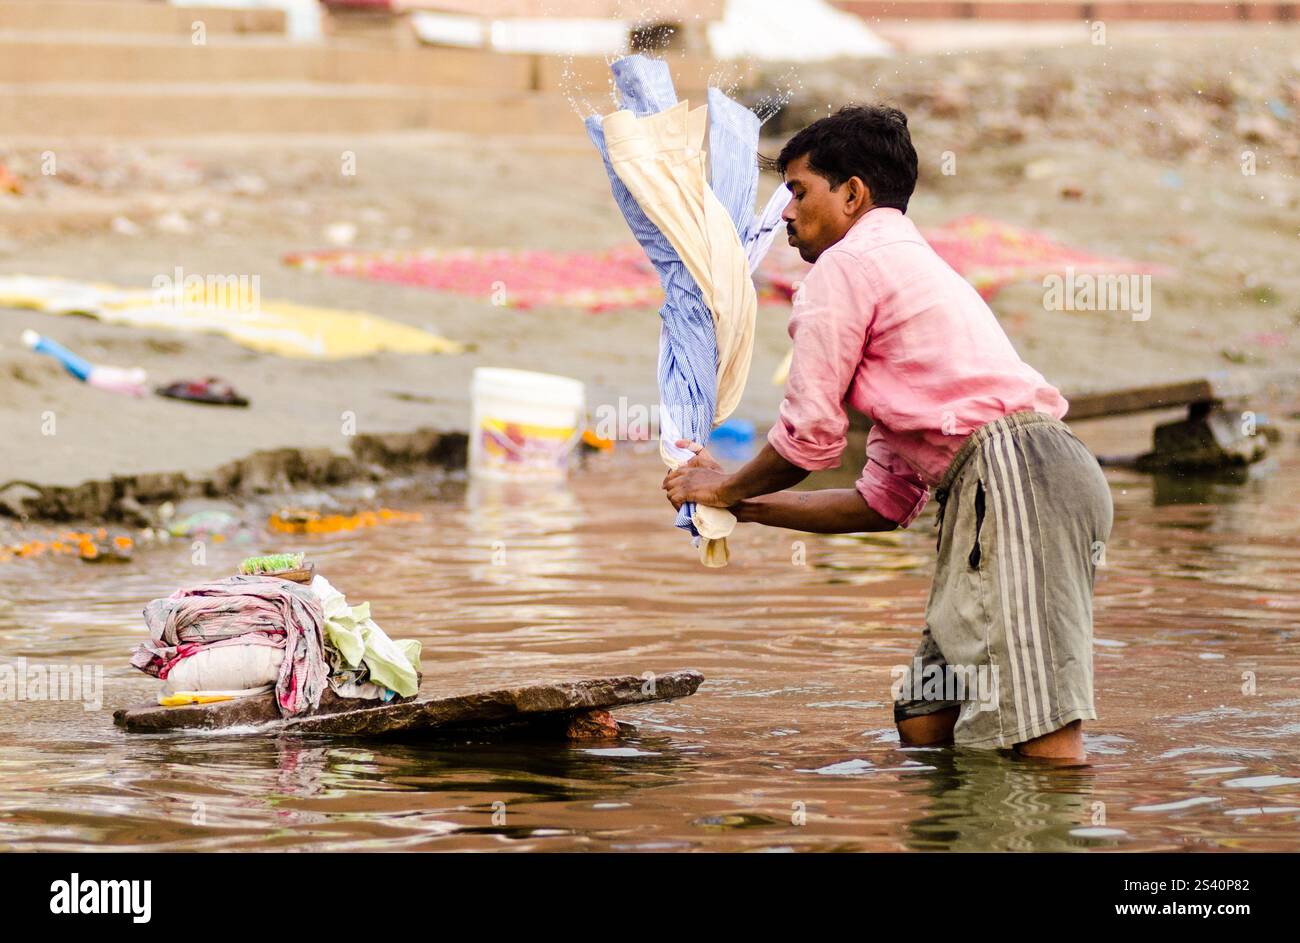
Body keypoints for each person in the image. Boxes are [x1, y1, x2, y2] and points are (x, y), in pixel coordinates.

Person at [664, 104, 1113, 761]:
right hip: (1011, 484)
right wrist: (747, 507)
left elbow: (808, 439)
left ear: (852, 194)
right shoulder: (901, 268)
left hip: (1016, 480)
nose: (783, 211)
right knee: (927, 716)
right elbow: (881, 504)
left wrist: (723, 485)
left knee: (1037, 725)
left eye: (797, 190)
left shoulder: (845, 269)